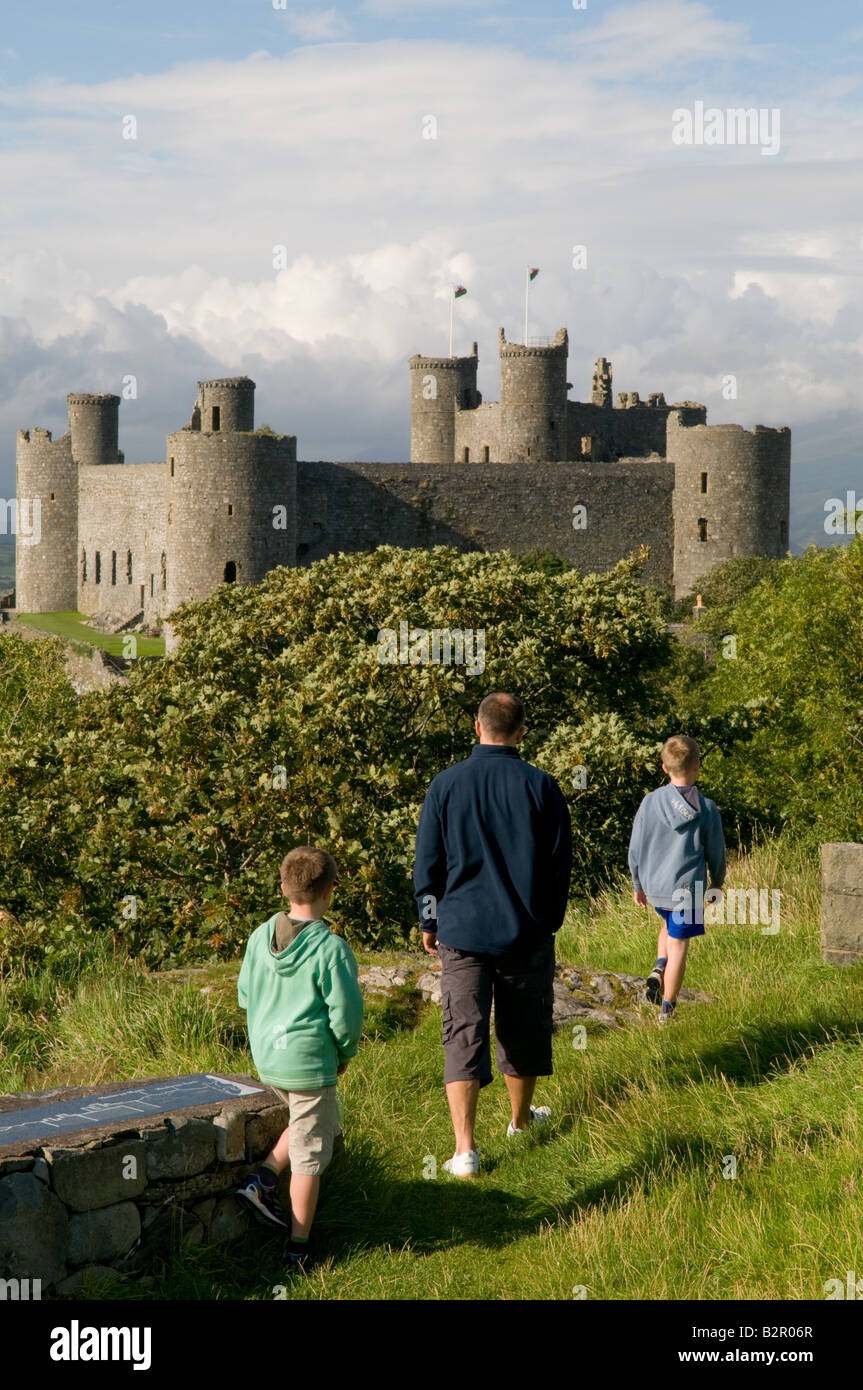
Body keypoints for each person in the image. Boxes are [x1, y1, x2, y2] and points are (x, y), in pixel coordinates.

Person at [413, 692, 572, 1178]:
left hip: (460, 931)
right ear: (522, 733)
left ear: (477, 729)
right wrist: (548, 921)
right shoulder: (542, 786)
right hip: (525, 931)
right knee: (523, 1027)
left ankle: (464, 1152)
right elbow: (558, 865)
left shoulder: (445, 785)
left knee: (463, 1031)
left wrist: (428, 920)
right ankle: (520, 1123)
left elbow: (427, 863)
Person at [236, 846, 364, 1272]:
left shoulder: (258, 937)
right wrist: (343, 1052)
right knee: (310, 1153)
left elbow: (244, 995)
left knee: (304, 1118)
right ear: (331, 891)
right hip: (310, 1062)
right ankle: (298, 1247)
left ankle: (265, 1176)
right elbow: (345, 1015)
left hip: (268, 1058)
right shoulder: (331, 948)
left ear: (283, 888)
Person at [628, 735, 726, 1025]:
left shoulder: (649, 802)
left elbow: (635, 846)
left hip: (656, 886)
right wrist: (717, 883)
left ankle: (659, 967)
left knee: (667, 926)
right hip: (688, 890)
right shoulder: (706, 809)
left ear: (664, 768)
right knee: (680, 946)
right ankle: (667, 1011)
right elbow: (716, 852)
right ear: (698, 765)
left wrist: (637, 884)